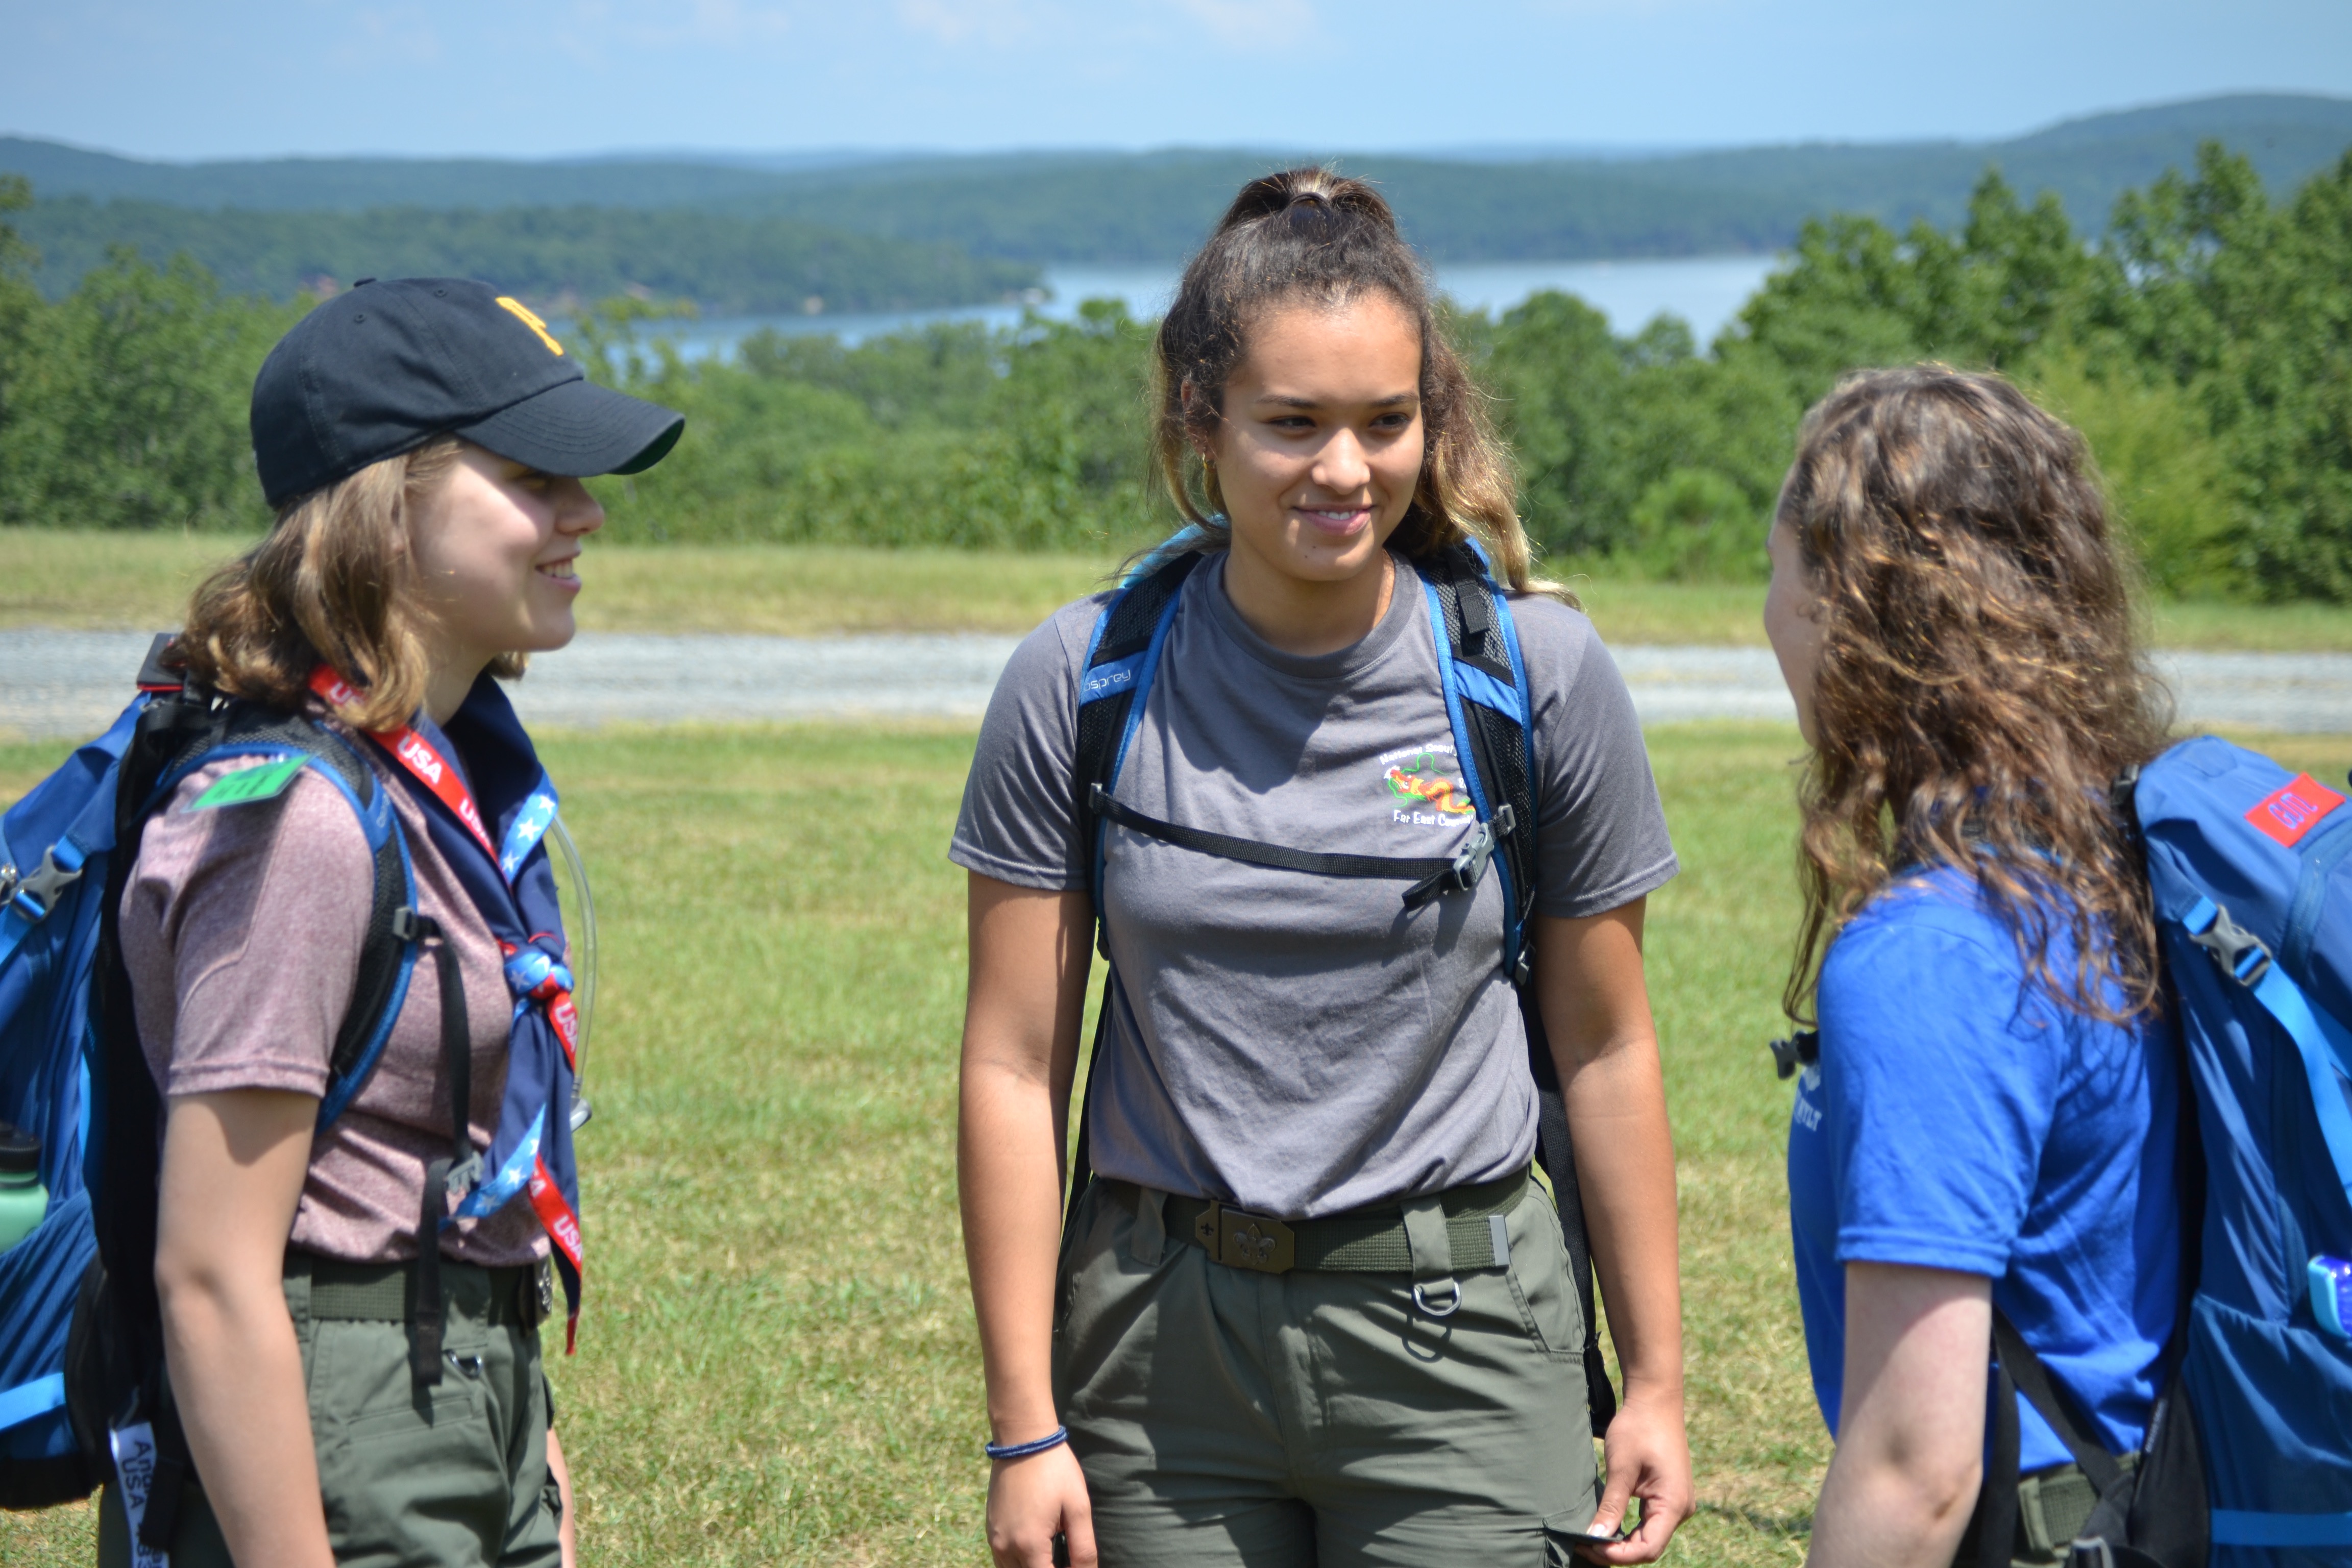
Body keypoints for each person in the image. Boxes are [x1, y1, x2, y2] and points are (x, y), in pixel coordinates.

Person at [952, 168, 1693, 1568]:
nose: (1343, 470)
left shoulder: (1536, 677)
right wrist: (1024, 1424)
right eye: (1292, 424)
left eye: (1385, 423)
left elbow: (1606, 1048)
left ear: (1435, 421)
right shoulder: (1081, 680)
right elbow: (1009, 1065)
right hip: (1157, 1352)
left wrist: (1652, 1380)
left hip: (1462, 1340)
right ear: (1203, 423)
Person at [100, 278, 681, 1566]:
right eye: (533, 475)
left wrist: (533, 1474)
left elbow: (448, 1169)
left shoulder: (448, 779)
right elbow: (209, 1273)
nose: (583, 513)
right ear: (385, 507)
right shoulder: (297, 823)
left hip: (463, 1379)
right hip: (329, 1429)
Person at [1769, 366, 2183, 1567]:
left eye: (1781, 567)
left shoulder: (1938, 953)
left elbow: (1916, 1467)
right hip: (2152, 1508)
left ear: (1851, 610)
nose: (1769, 614)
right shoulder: (2111, 857)